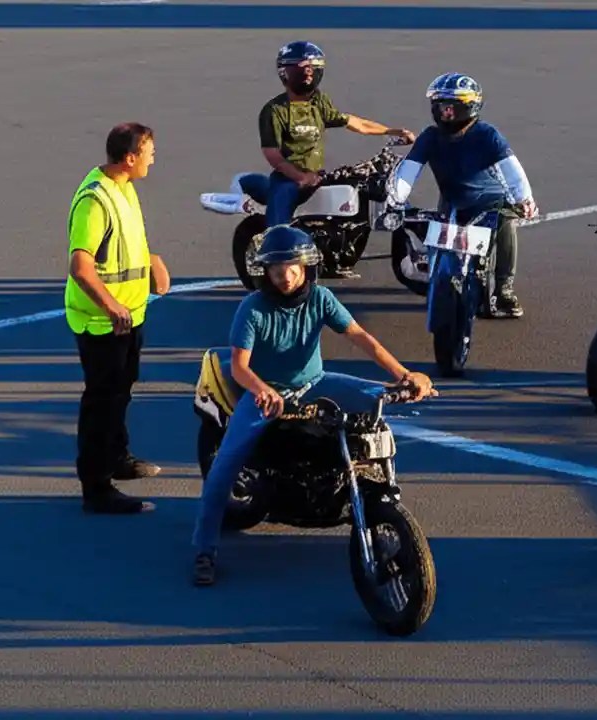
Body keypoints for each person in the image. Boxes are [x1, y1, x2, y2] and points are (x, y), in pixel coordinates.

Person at [190, 225, 435, 586]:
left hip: (315, 383)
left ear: (307, 268)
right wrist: (264, 393)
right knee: (225, 466)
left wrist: (404, 374)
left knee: (377, 400)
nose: (285, 276)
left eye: (293, 267)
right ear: (266, 272)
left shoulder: (321, 298)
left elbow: (360, 337)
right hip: (266, 394)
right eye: (276, 269)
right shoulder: (253, 309)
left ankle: (375, 492)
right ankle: (203, 549)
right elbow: (240, 368)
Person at [65, 122, 171, 515]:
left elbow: (128, 243)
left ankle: (117, 456)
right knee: (101, 401)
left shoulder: (124, 188)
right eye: (149, 152)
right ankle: (96, 486)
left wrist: (153, 261)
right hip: (101, 322)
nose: (153, 159)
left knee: (121, 390)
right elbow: (81, 266)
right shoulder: (95, 200)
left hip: (129, 316)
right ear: (130, 158)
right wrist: (111, 307)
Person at [386, 72, 539, 319]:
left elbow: (511, 168)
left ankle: (503, 290)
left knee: (507, 225)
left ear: (469, 106)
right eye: (441, 106)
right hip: (452, 202)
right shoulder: (430, 136)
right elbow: (409, 170)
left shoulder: (486, 134)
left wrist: (524, 199)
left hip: (491, 203)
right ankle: (436, 280)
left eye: (452, 106)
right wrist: (396, 199)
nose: (446, 112)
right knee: (429, 233)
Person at [258, 40, 416, 255]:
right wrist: (299, 177)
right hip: (288, 179)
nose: (308, 73)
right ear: (285, 72)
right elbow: (272, 154)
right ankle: (271, 254)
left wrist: (391, 131)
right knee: (279, 223)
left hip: (316, 175)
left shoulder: (318, 101)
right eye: (301, 68)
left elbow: (353, 122)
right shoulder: (274, 110)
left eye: (312, 68)